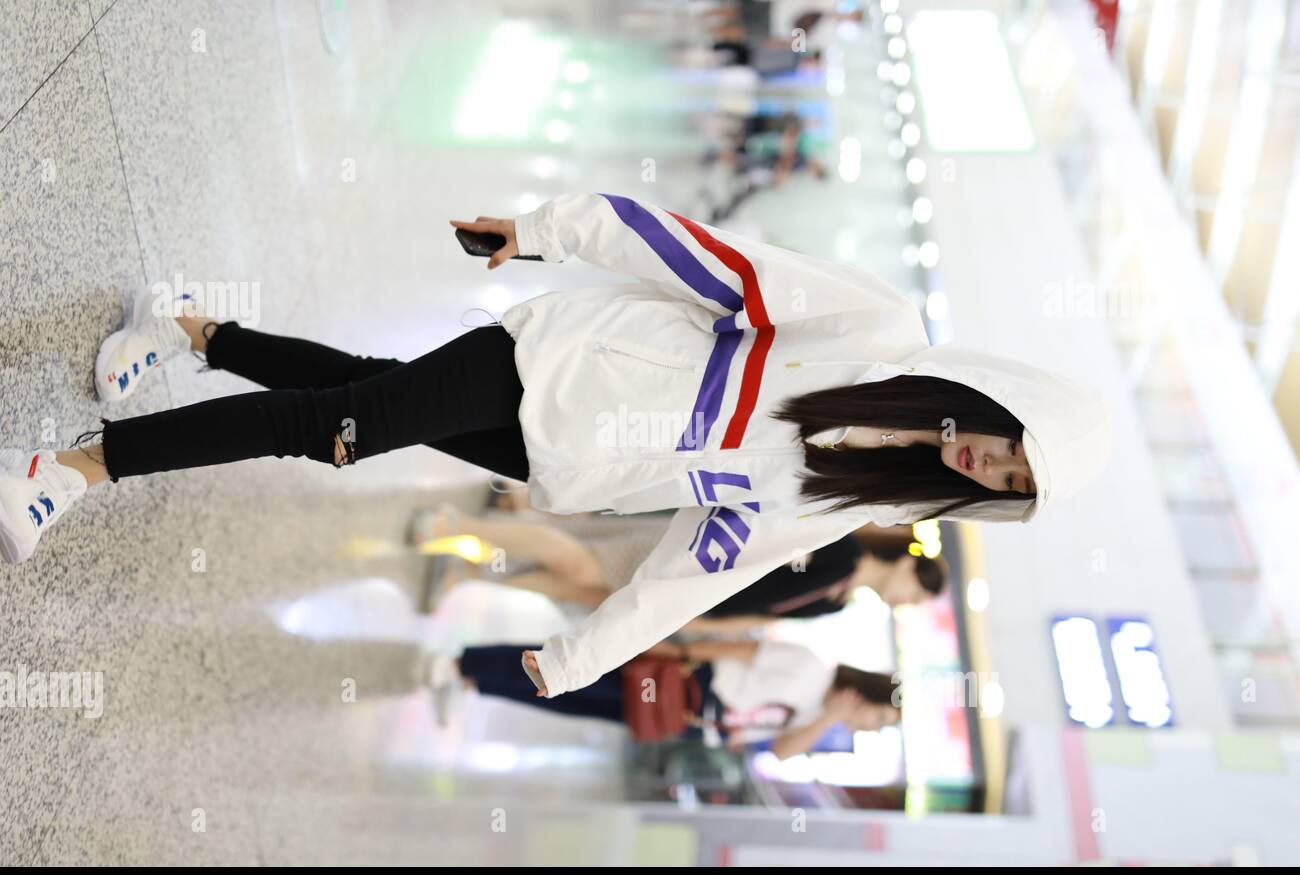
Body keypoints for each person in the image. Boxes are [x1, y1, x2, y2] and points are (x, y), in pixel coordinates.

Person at [0, 192, 1111, 705]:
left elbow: (692, 568)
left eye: (1002, 487)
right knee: (336, 434)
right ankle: (75, 468)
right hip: (552, 361)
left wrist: (579, 657)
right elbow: (714, 259)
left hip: (557, 457)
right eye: (1005, 448)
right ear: (1001, 404)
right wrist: (547, 231)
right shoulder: (877, 336)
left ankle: (188, 327)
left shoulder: (841, 502)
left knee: (356, 393)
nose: (983, 467)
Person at [410, 503, 945, 634]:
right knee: (581, 557)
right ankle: (457, 524)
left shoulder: (836, 603)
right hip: (698, 556)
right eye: (917, 597)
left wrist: (695, 622)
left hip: (694, 596)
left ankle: (471, 574)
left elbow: (760, 616)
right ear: (908, 571)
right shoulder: (843, 550)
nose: (909, 605)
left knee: (578, 585)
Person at [438, 636, 899, 759]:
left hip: (688, 721)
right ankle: (466, 663)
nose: (867, 726)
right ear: (866, 695)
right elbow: (738, 651)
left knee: (571, 702)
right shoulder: (811, 668)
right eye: (876, 719)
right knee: (571, 674)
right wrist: (676, 653)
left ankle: (477, 683)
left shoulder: (817, 718)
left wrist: (829, 718)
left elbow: (779, 751)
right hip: (686, 682)